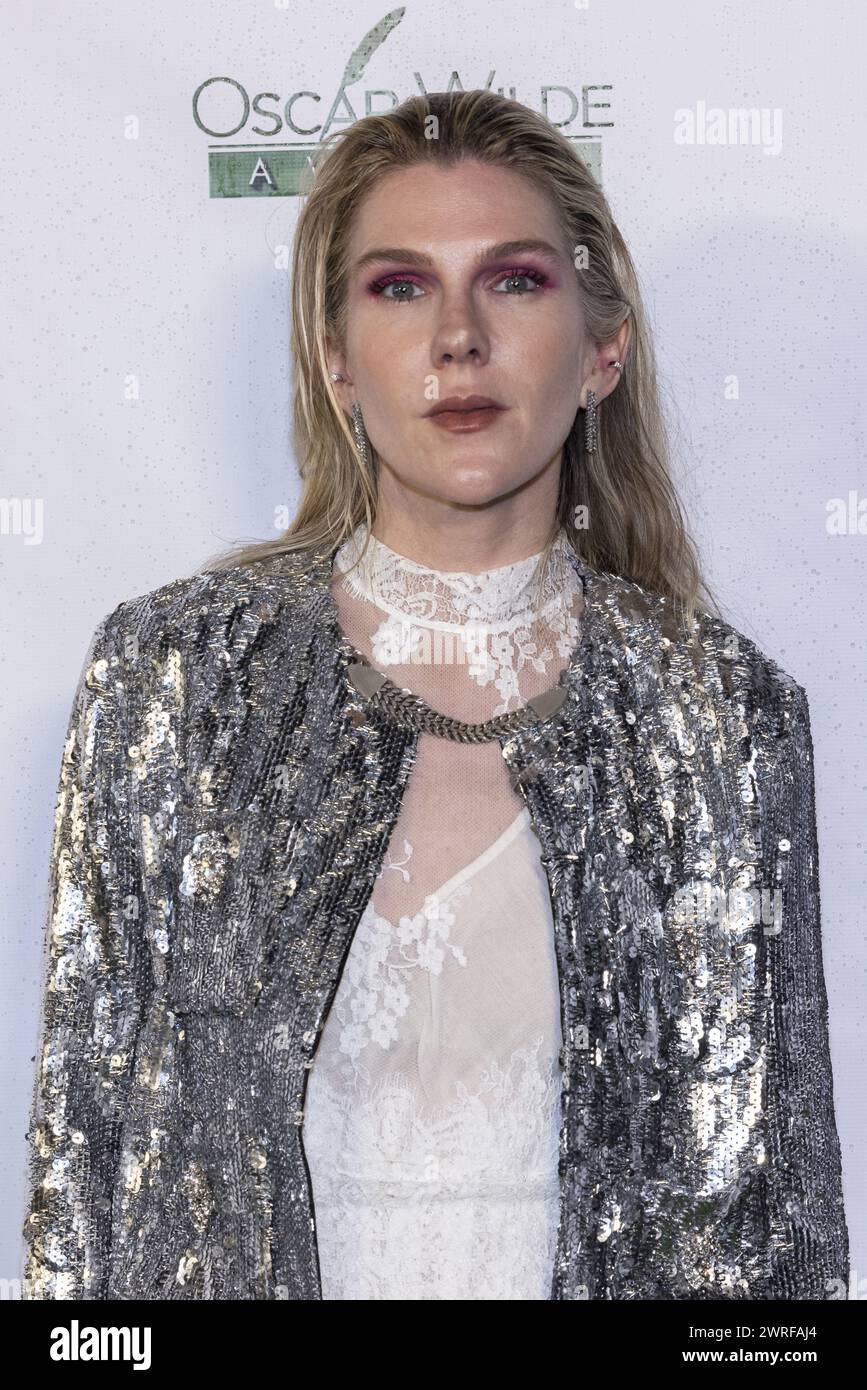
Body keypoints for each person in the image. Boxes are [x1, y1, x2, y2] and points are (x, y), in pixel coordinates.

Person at [22, 89, 848, 1301]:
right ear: (335, 361)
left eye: (514, 281)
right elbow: (86, 1180)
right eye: (400, 287)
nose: (458, 338)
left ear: (602, 348)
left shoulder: (722, 719)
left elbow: (770, 1232)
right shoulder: (175, 684)